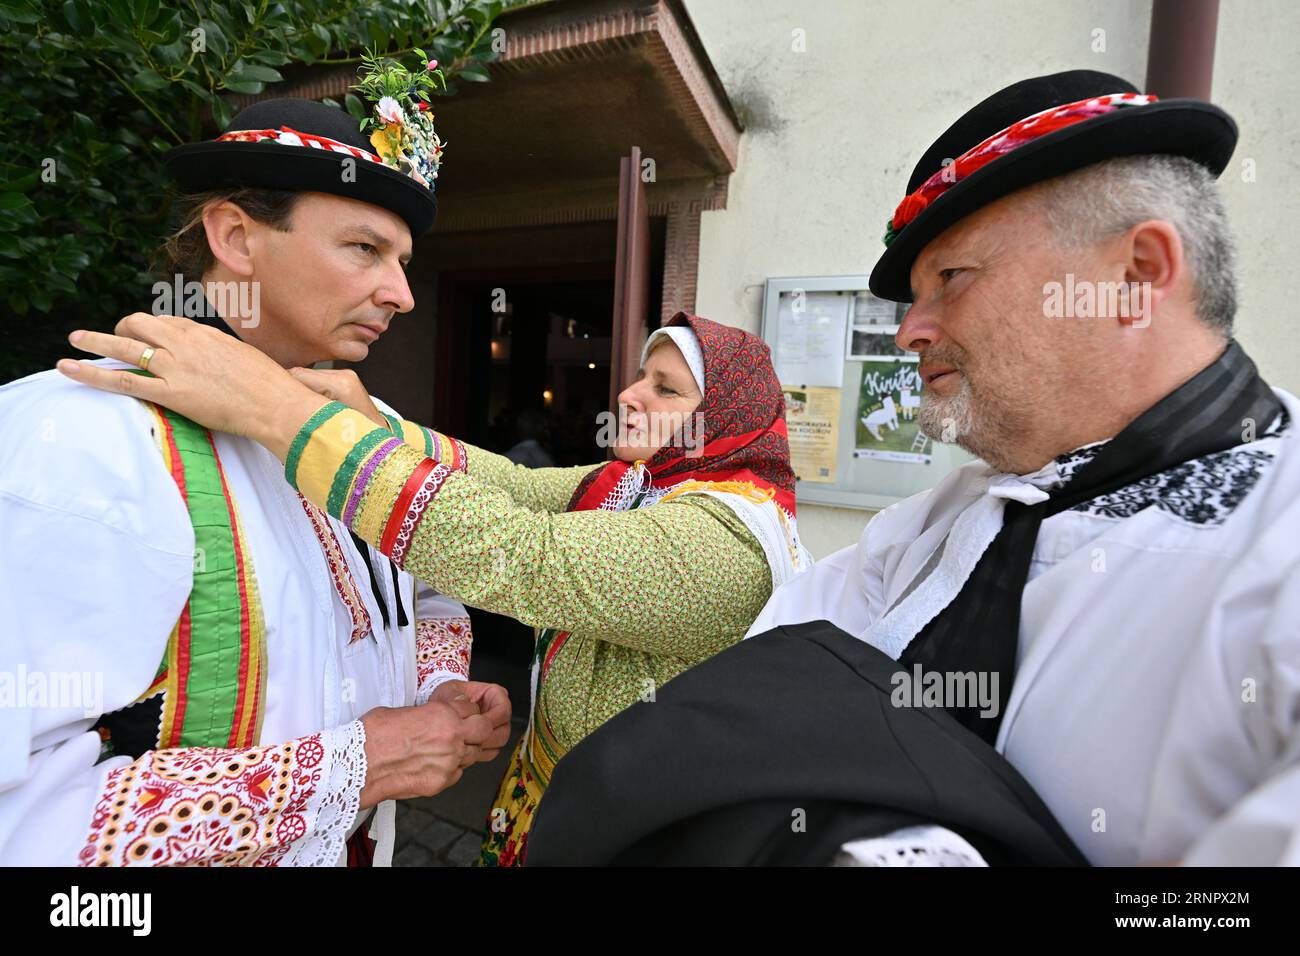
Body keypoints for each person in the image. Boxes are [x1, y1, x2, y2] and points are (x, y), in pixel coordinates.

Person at [523, 70, 1300, 866]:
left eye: (951, 280)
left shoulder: (1278, 569)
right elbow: (757, 721)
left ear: (1135, 276)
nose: (909, 333)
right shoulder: (926, 528)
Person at [54, 308, 812, 867]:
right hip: (553, 794)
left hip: (638, 837)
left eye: (666, 388)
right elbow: (513, 485)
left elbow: (522, 553)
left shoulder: (726, 541)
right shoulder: (639, 485)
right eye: (643, 374)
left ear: (725, 424)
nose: (633, 392)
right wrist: (376, 425)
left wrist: (282, 416)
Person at [0, 58, 509, 867]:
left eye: (403, 262)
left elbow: (426, 584)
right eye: (364, 248)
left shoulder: (367, 430)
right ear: (235, 237)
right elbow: (19, 821)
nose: (401, 293)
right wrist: (356, 767)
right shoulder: (84, 441)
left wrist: (435, 690)